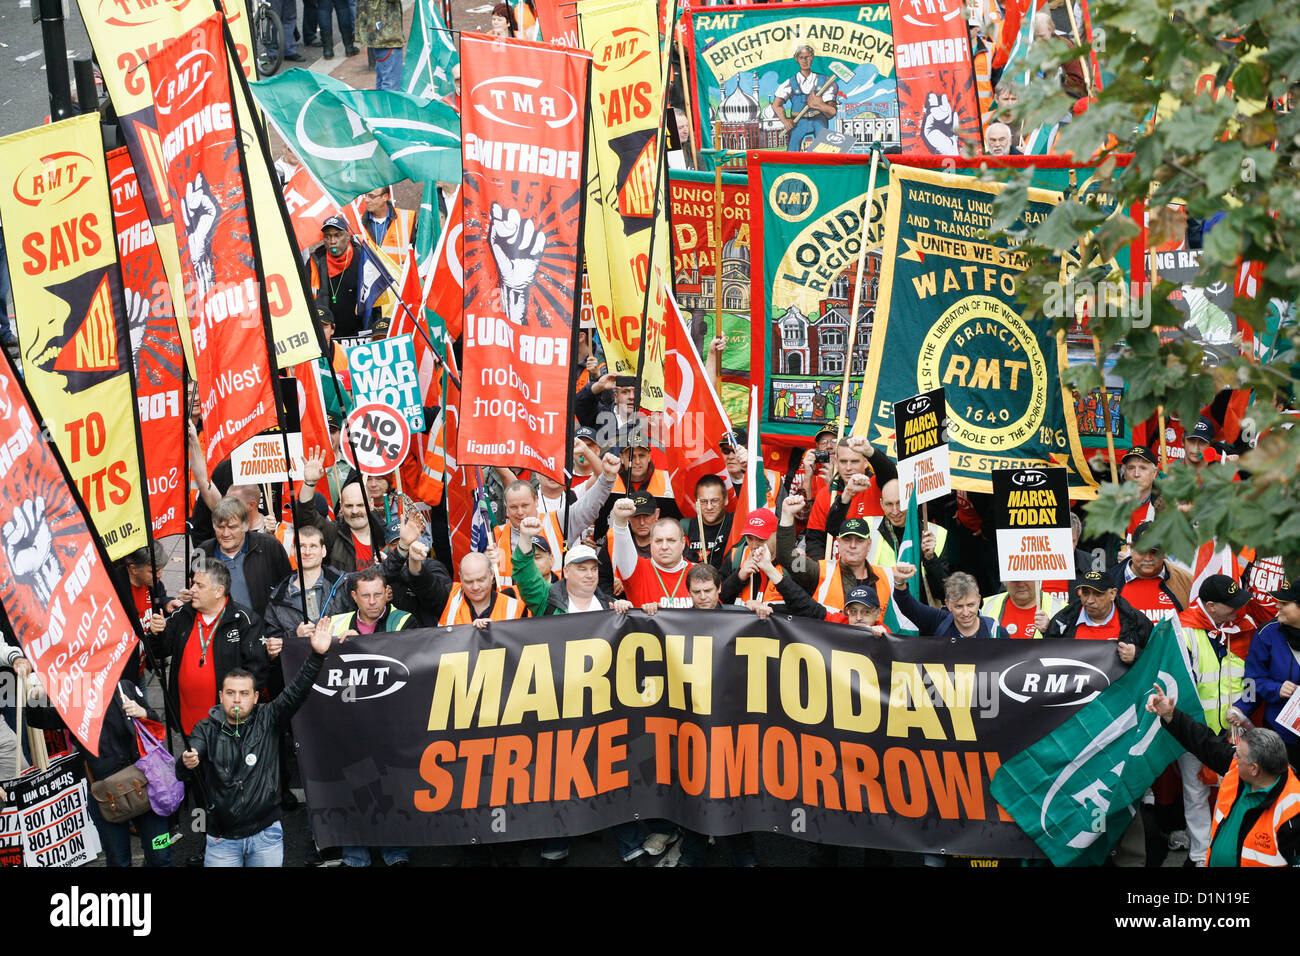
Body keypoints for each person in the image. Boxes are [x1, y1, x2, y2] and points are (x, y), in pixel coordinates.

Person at [179, 617, 333, 866]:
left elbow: (297, 690)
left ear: (255, 697)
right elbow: (188, 759)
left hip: (266, 836)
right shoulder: (205, 728)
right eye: (230, 693)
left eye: (243, 694)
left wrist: (317, 655)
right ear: (221, 696)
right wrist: (188, 760)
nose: (236, 699)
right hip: (222, 840)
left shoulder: (269, 717)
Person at [1145, 688, 1300, 866]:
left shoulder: (1292, 812)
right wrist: (1169, 714)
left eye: (1238, 756)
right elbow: (1202, 741)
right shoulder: (1239, 766)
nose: (1233, 756)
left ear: (1254, 769)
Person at [27, 678, 172, 867]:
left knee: (161, 853)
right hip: (104, 796)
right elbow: (37, 719)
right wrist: (33, 697)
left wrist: (143, 712)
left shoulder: (124, 686)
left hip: (147, 787)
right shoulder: (73, 700)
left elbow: (155, 721)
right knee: (118, 861)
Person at [1171, 573, 1256, 866]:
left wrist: (1243, 709)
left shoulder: (1244, 628)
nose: (1238, 610)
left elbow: (1252, 678)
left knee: (1236, 788)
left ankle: (1232, 850)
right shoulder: (1184, 629)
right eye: (1230, 605)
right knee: (1195, 792)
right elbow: (1182, 683)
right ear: (1210, 605)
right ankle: (1199, 857)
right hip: (1195, 728)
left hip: (1235, 728)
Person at [148, 562, 267, 738]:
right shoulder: (183, 615)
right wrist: (156, 633)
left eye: (200, 585)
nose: (192, 589)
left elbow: (257, 672)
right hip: (187, 722)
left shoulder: (245, 621)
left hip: (227, 726)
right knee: (192, 764)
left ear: (219, 591)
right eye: (193, 583)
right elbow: (158, 652)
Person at [779, 500, 894, 617]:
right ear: (838, 543)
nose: (853, 545)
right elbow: (788, 557)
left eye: (859, 540)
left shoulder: (889, 577)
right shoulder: (820, 571)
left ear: (869, 544)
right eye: (847, 539)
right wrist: (787, 515)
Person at [1230, 579, 1300, 770]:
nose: (1277, 606)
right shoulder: (1266, 633)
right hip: (1280, 735)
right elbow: (1252, 680)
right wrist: (1276, 689)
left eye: (1285, 603)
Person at [197, 495, 293, 620]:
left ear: (246, 525)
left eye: (232, 527)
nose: (226, 534)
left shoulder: (269, 546)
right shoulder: (203, 552)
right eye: (220, 527)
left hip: (262, 630)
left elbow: (287, 586)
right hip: (218, 631)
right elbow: (195, 589)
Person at [806, 436, 897, 560]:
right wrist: (823, 572)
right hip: (840, 571)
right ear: (836, 462)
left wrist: (871, 452)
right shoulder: (826, 494)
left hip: (878, 568)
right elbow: (815, 540)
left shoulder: (877, 484)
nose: (848, 467)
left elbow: (890, 473)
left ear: (866, 462)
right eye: (843, 462)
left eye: (854, 461)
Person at [298, 453, 390, 571]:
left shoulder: (385, 534)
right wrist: (309, 483)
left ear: (371, 504)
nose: (355, 511)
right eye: (349, 506)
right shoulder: (333, 533)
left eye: (361, 505)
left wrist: (388, 565)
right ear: (341, 506)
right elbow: (306, 516)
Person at [867, 477, 951, 603]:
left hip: (920, 614)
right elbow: (831, 529)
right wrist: (845, 498)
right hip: (882, 613)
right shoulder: (869, 526)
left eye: (900, 503)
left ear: (912, 502)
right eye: (889, 504)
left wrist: (930, 558)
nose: (895, 511)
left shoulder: (936, 534)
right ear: (881, 504)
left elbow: (943, 593)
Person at [1041, 569, 1152, 656]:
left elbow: (1156, 656)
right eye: (1085, 593)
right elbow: (1048, 655)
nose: (1089, 600)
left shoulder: (1136, 621)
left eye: (1098, 594)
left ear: (1112, 594)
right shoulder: (1063, 620)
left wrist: (1136, 655)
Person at [611, 498, 695, 611]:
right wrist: (620, 521)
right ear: (651, 542)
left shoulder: (697, 572)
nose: (664, 547)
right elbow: (622, 544)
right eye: (658, 541)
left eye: (671, 540)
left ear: (683, 542)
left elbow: (714, 611)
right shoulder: (638, 570)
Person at [892, 564, 1007, 638]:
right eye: (959, 606)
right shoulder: (939, 622)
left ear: (979, 601)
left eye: (970, 605)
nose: (966, 613)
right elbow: (908, 606)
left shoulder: (995, 632)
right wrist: (899, 582)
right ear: (948, 604)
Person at [308, 215, 377, 337]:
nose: (332, 241)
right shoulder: (316, 261)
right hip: (329, 336)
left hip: (361, 334)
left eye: (337, 235)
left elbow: (376, 299)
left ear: (347, 236)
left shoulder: (363, 257)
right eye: (327, 237)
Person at [1115, 521, 1192, 623]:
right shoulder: (1110, 581)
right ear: (1131, 549)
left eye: (1154, 552)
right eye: (1142, 551)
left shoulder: (1186, 581)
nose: (1148, 558)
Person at [772, 44, 837, 151]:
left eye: (807, 57)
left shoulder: (826, 81)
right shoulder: (789, 83)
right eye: (801, 57)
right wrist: (785, 120)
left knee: (826, 150)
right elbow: (776, 105)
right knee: (792, 151)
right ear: (796, 59)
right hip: (798, 122)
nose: (804, 60)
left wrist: (820, 105)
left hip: (819, 120)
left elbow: (832, 112)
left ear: (812, 57)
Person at [440, 552, 529, 626]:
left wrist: (495, 631)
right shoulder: (448, 599)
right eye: (469, 582)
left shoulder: (515, 607)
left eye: (480, 580)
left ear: (491, 575)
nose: (475, 587)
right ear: (461, 578)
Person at [355, 184, 414, 269]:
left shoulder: (407, 218)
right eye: (366, 196)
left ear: (385, 197)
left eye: (372, 196)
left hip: (399, 278)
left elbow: (417, 254)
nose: (367, 200)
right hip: (370, 279)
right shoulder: (357, 222)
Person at [981, 579, 1062, 639]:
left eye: (1027, 578)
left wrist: (1051, 630)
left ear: (1038, 580)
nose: (1021, 584)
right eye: (1014, 579)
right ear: (1004, 581)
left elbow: (1068, 650)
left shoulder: (1060, 608)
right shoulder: (985, 605)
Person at [681, 475, 733, 569]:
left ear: (725, 500)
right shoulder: (684, 528)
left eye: (715, 500)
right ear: (696, 502)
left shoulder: (736, 524)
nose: (709, 507)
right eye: (704, 501)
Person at [357, 1, 404, 92]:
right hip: (386, 34)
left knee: (383, 78)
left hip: (374, 29)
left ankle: (382, 104)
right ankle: (387, 105)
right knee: (390, 84)